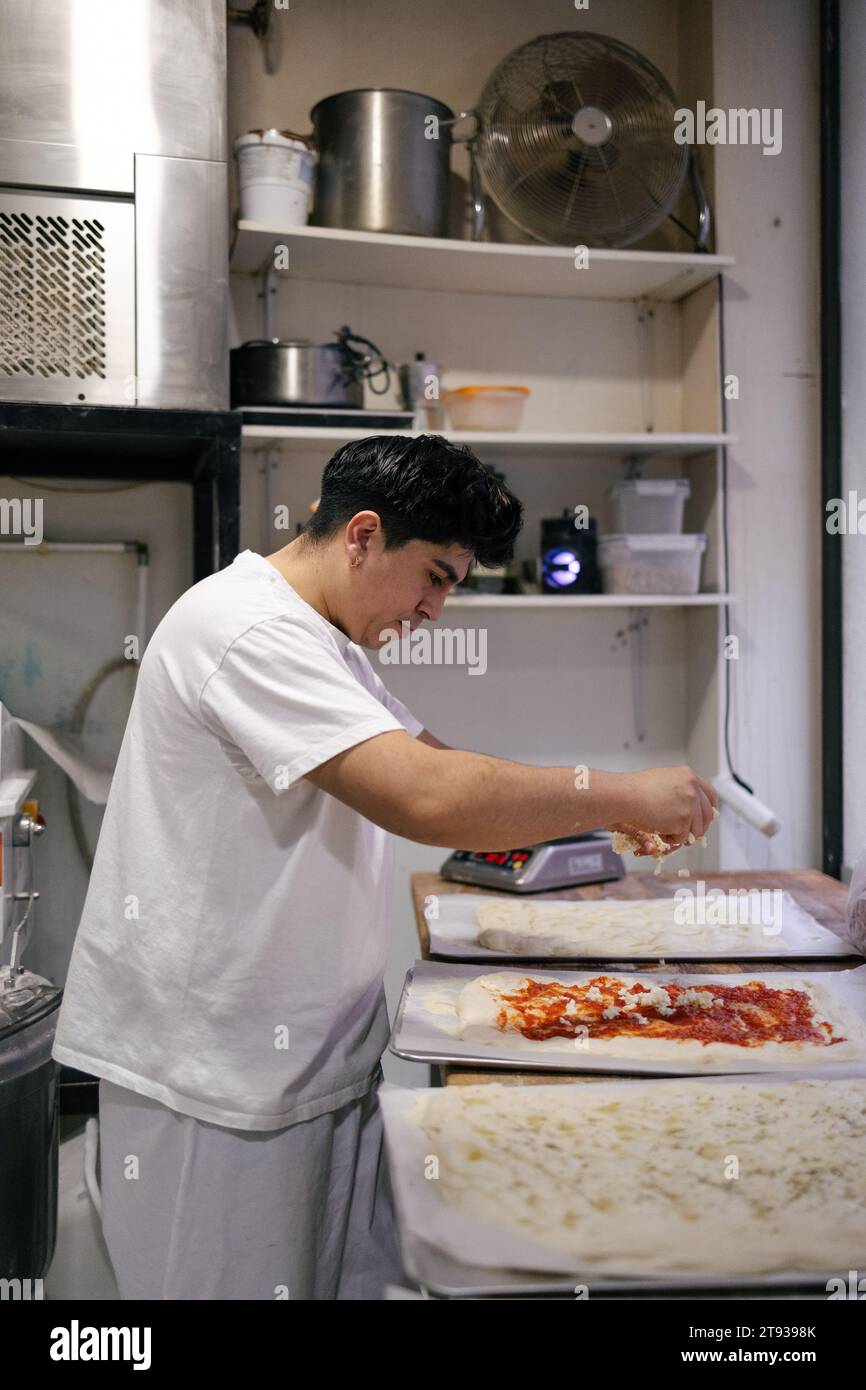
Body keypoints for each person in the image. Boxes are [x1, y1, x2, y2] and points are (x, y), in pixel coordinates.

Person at [51, 434, 717, 1300]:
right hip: (213, 1083)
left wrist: (594, 820)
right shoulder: (246, 627)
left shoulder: (324, 639)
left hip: (312, 1063)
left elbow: (439, 765)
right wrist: (618, 792)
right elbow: (427, 795)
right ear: (363, 535)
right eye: (435, 576)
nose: (436, 610)